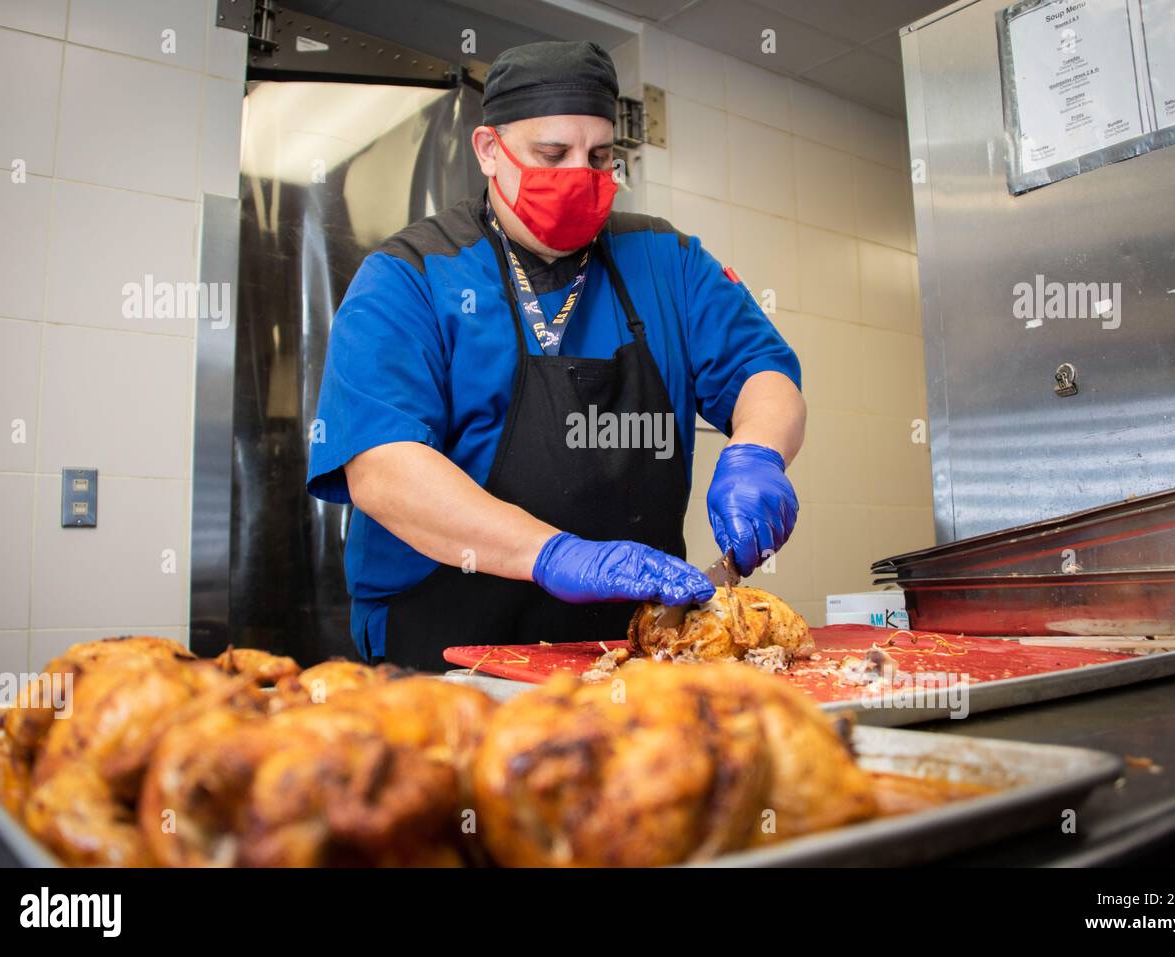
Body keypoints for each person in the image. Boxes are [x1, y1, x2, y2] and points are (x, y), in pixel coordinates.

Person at [307, 40, 805, 670]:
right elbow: (380, 466)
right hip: (447, 638)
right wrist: (555, 555)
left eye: (600, 157)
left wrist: (758, 451)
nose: (580, 174)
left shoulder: (666, 260)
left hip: (629, 643)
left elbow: (763, 372)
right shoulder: (409, 276)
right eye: (552, 154)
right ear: (490, 150)